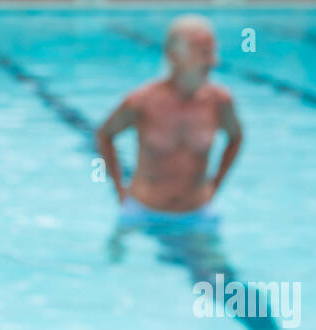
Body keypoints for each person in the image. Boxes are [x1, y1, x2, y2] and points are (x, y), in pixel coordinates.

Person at [96, 15, 243, 231]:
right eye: (203, 53)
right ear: (175, 56)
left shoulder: (219, 101)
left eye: (212, 52)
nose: (213, 62)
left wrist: (215, 185)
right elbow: (105, 134)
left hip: (198, 213)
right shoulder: (142, 101)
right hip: (141, 211)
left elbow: (236, 137)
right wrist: (119, 189)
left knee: (214, 266)